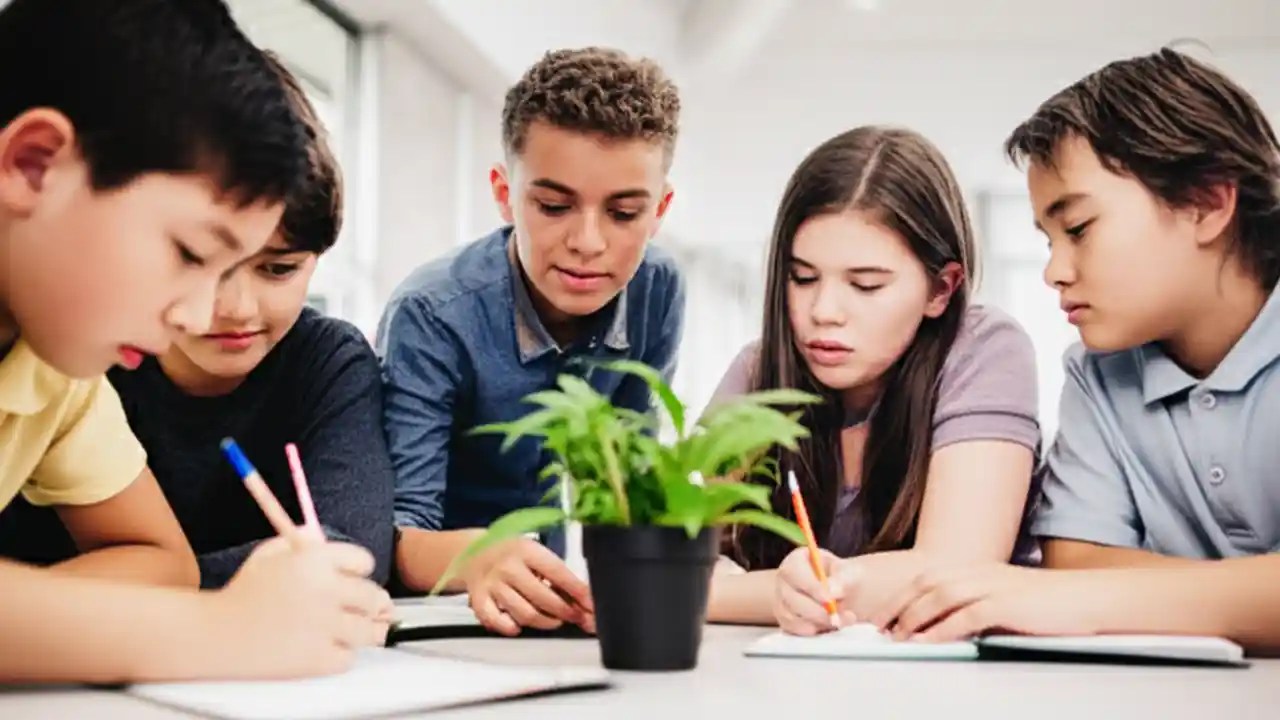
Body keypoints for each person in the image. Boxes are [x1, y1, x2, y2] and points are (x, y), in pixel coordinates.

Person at [0, 0, 385, 682]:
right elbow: (179, 599)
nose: (202, 313)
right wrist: (217, 630)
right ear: (32, 165)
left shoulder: (58, 370)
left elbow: (162, 560)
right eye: (189, 252)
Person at [881, 48, 1280, 652]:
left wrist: (1069, 597)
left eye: (1080, 230)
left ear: (1206, 202)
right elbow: (1073, 561)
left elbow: (1066, 593)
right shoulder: (1099, 374)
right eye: (1047, 239)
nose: (1054, 272)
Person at [379, 47, 687, 636]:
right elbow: (395, 534)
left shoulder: (659, 288)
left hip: (558, 613)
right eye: (552, 206)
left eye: (624, 213)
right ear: (504, 193)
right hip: (438, 611)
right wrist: (480, 557)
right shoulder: (433, 314)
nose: (588, 242)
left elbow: (623, 475)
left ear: (660, 210)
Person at [703, 126, 1041, 635]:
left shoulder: (985, 349)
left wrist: (727, 592)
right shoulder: (759, 371)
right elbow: (656, 552)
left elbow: (953, 573)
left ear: (941, 290)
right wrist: (756, 591)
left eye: (866, 285)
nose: (824, 312)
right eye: (802, 278)